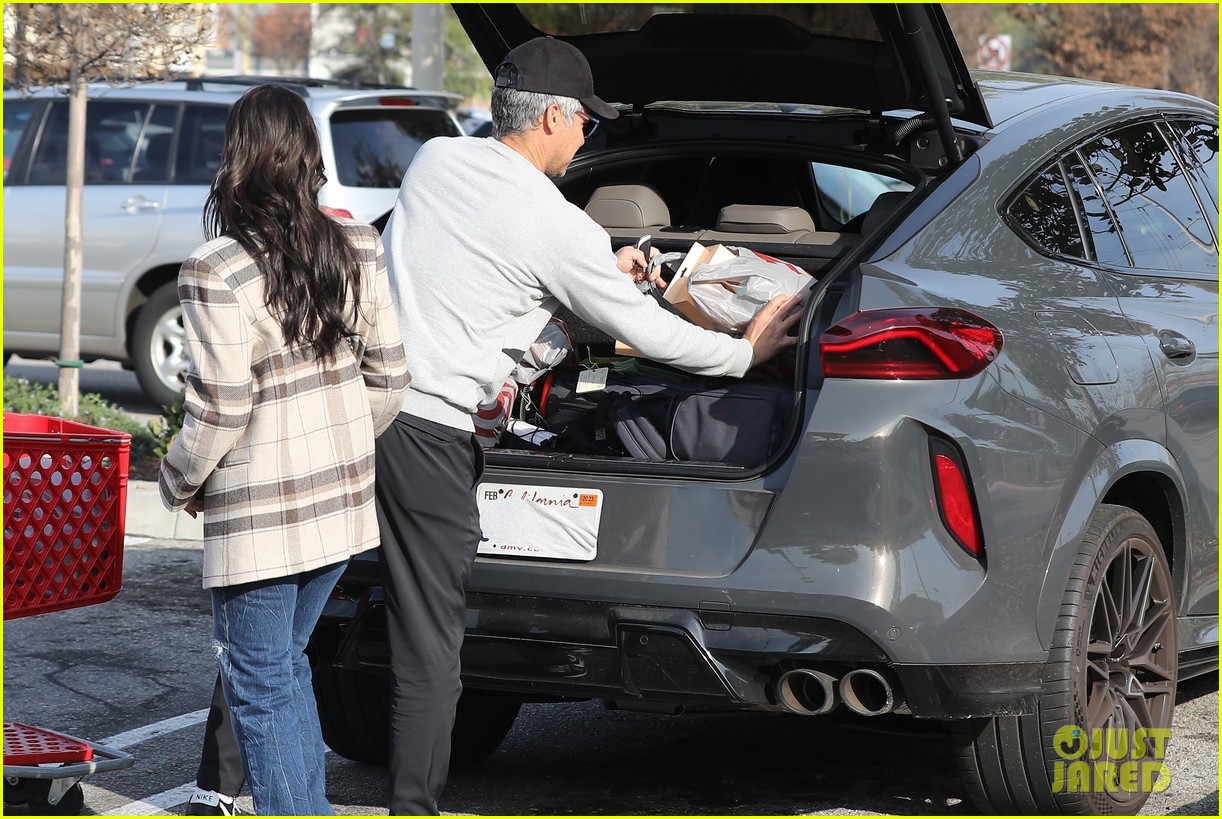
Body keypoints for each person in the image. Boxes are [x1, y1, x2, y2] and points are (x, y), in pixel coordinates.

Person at [376, 36, 800, 814]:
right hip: (432, 437)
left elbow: (488, 259)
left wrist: (600, 269)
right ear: (554, 119)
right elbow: (660, 336)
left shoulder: (435, 162)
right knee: (430, 644)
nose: (588, 139)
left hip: (361, 417)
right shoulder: (554, 223)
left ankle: (223, 785)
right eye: (586, 124)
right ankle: (414, 805)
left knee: (289, 601)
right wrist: (744, 354)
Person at [159, 83, 410, 816]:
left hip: (260, 518)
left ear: (236, 160)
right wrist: (332, 444)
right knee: (283, 668)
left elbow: (221, 407)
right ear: (308, 156)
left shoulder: (217, 268)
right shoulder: (358, 245)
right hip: (339, 507)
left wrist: (178, 478)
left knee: (261, 678)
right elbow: (391, 377)